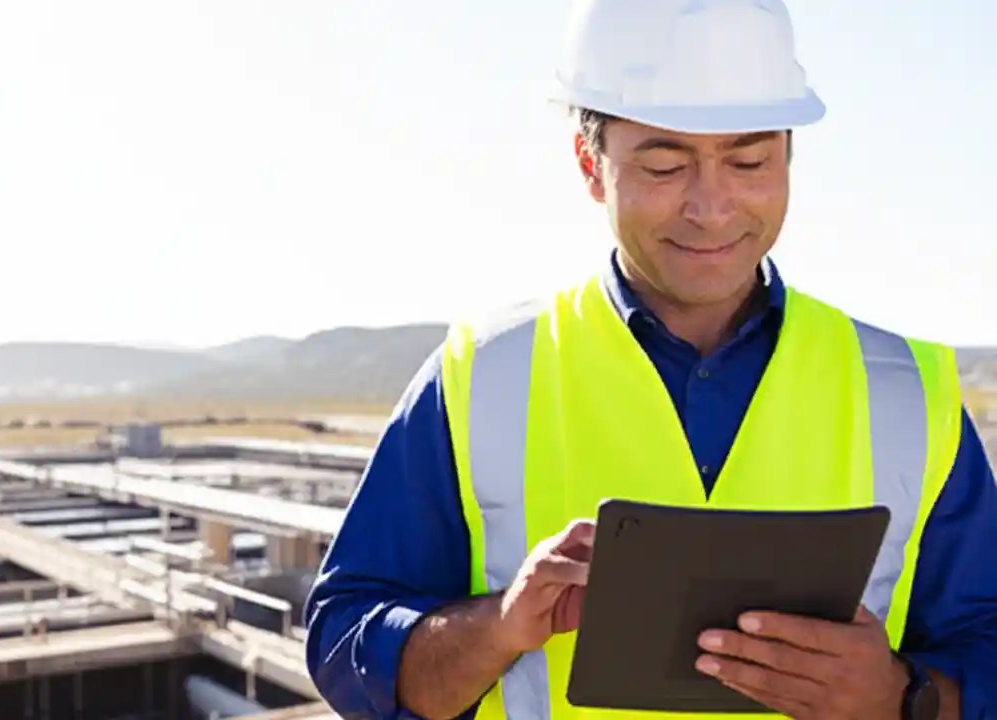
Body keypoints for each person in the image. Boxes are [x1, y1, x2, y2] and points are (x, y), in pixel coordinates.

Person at [303, 1, 997, 719]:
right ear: (589, 164)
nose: (712, 206)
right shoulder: (483, 378)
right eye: (665, 164)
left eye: (749, 159)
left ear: (789, 151)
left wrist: (901, 697)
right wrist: (499, 626)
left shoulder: (910, 396)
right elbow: (346, 647)